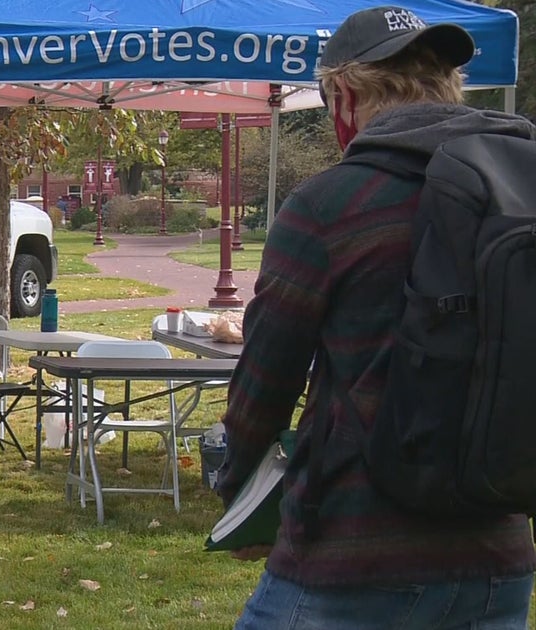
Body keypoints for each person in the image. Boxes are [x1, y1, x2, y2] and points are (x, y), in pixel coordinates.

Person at [218, 7, 536, 629]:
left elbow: (266, 380)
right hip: (498, 551)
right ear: (447, 85)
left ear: (345, 95)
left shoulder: (331, 204)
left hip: (352, 554)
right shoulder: (519, 191)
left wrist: (241, 497)